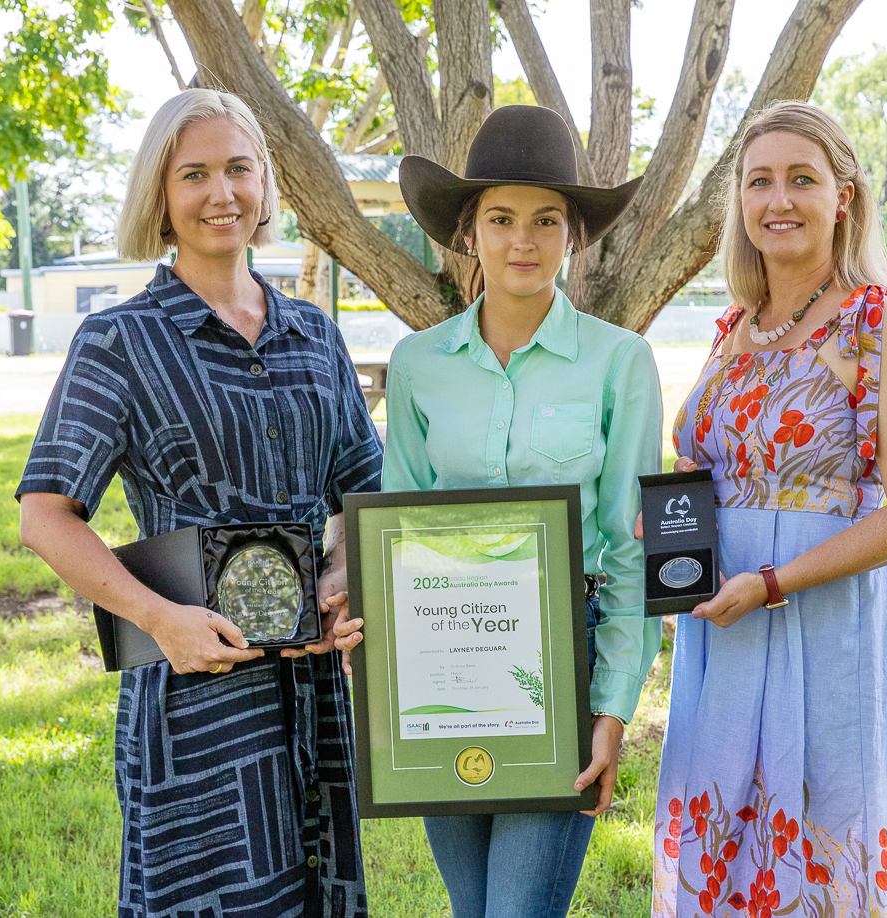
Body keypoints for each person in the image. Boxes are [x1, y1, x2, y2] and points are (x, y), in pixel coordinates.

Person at [17, 89, 381, 918]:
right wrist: (157, 619)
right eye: (196, 174)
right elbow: (45, 513)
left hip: (309, 697)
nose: (222, 193)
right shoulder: (120, 341)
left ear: (264, 187)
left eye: (239, 170)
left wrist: (337, 579)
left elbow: (367, 492)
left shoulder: (314, 335)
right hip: (195, 695)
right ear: (162, 197)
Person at [647, 100, 887, 916]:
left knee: (826, 868)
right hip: (728, 636)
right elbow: (704, 470)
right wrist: (671, 529)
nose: (777, 200)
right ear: (740, 204)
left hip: (832, 636)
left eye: (801, 180)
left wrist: (775, 580)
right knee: (734, 862)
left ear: (843, 196)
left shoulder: (879, 324)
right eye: (759, 182)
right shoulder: (734, 331)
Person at [366, 104, 663, 918]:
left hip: (563, 672)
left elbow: (629, 548)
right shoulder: (419, 366)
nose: (521, 242)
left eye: (545, 220)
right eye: (500, 218)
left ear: (573, 234)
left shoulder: (619, 362)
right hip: (440, 675)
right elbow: (399, 532)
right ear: (468, 231)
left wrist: (612, 710)